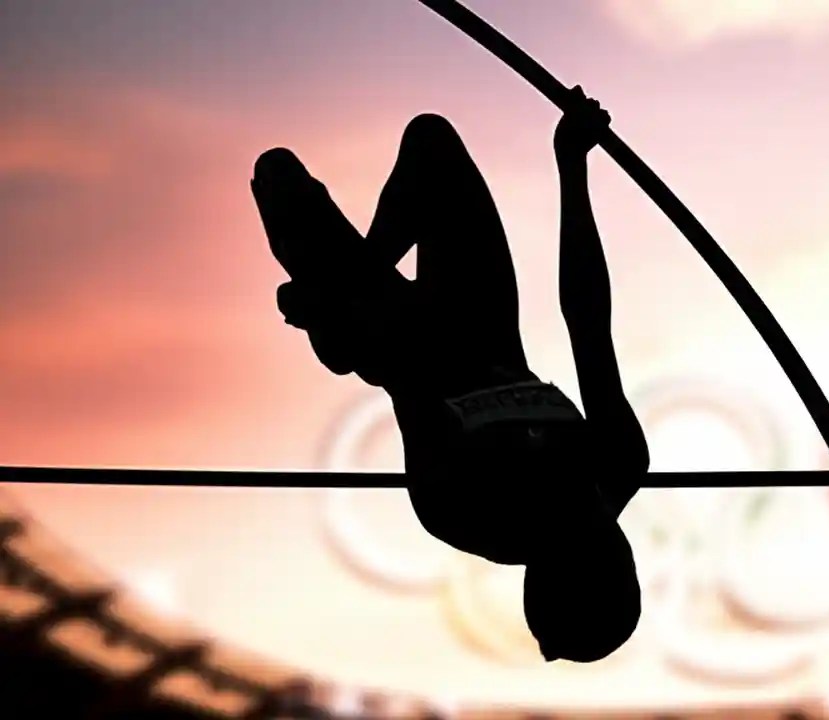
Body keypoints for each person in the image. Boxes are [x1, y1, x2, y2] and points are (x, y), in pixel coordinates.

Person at [250, 87, 650, 663]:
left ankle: (336, 324)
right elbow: (588, 322)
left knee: (279, 175)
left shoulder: (465, 514)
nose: (601, 530)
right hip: (484, 324)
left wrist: (352, 309)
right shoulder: (618, 462)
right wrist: (571, 163)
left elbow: (409, 374)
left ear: (548, 571)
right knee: (431, 141)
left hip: (400, 340)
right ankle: (335, 305)